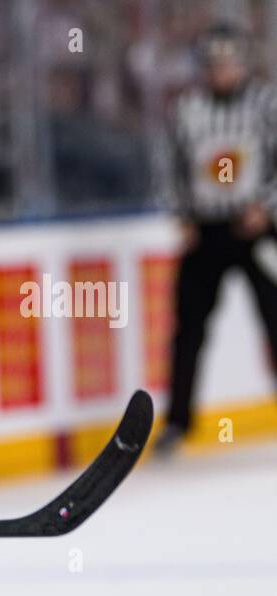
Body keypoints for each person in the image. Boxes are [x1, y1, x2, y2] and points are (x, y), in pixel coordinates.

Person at [160, 21, 277, 455]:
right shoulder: (187, 109)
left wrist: (266, 206)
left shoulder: (265, 104)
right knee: (188, 329)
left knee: (274, 320)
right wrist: (181, 215)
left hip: (256, 228)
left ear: (242, 64)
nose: (221, 72)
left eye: (228, 64)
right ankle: (177, 421)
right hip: (205, 230)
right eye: (213, 65)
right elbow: (168, 164)